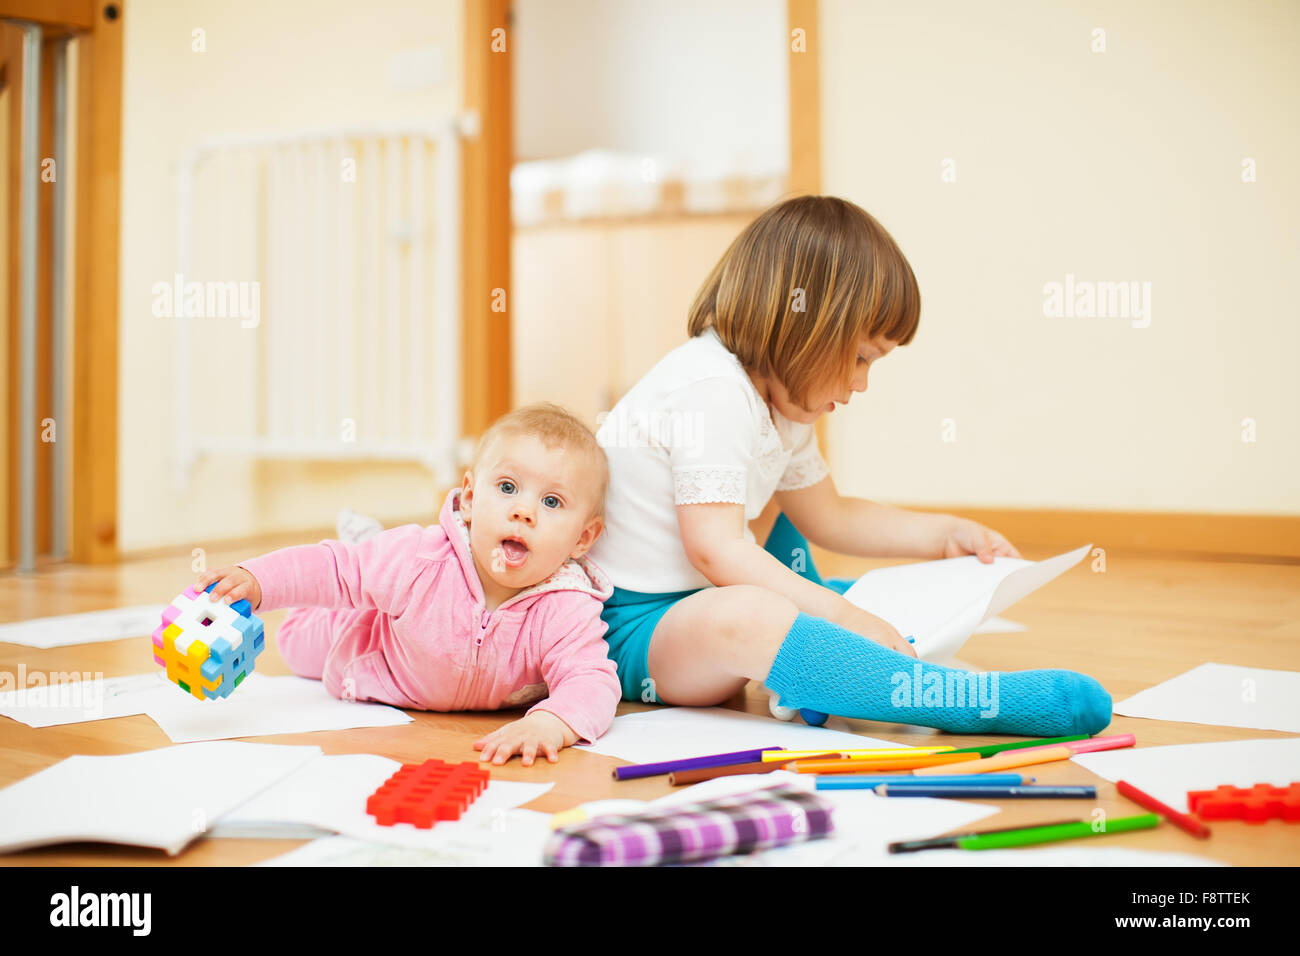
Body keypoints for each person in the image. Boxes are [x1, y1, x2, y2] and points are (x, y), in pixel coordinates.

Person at [589, 195, 1111, 736]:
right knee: (750, 611)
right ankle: (950, 699)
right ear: (804, 326)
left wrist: (944, 535)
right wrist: (843, 618)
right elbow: (715, 549)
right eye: (861, 357)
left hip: (690, 612)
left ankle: (817, 668)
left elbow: (830, 515)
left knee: (786, 529)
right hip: (634, 630)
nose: (861, 383)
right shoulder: (712, 391)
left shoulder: (777, 406)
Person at [199, 403, 621, 765]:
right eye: (507, 487)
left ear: (582, 539)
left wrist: (553, 722)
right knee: (296, 641)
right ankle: (367, 551)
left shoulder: (567, 605)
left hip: (452, 680)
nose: (523, 511)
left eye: (551, 502)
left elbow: (592, 680)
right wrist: (257, 580)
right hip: (374, 646)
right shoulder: (420, 558)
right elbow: (332, 568)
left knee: (367, 568)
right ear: (470, 498)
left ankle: (369, 545)